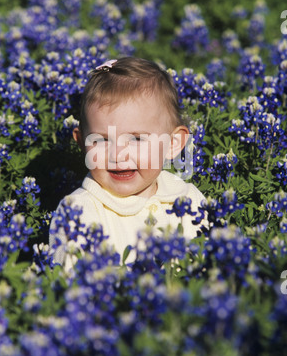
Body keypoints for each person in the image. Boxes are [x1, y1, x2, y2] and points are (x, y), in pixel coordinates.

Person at [49, 57, 207, 271]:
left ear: (173, 143)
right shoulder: (77, 212)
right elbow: (72, 290)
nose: (118, 155)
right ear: (81, 143)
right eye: (102, 140)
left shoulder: (188, 198)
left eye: (136, 139)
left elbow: (213, 271)